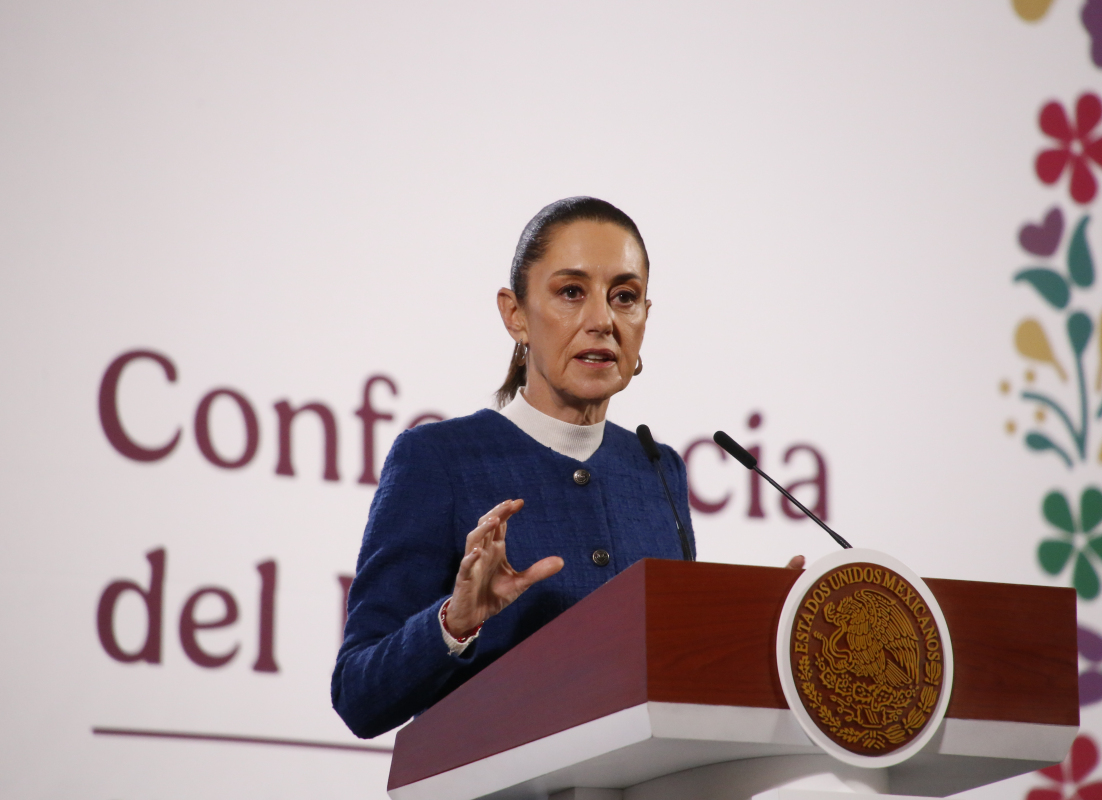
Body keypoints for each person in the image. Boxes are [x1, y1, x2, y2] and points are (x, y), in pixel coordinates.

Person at [331, 197, 801, 739]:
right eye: (572, 292)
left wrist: (760, 633)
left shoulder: (658, 469)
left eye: (625, 297)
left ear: (645, 317)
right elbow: (358, 696)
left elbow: (668, 671)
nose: (602, 320)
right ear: (515, 314)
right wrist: (455, 622)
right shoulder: (439, 458)